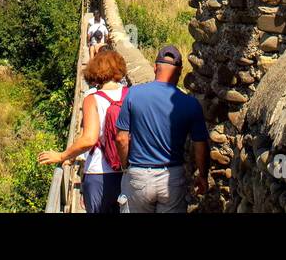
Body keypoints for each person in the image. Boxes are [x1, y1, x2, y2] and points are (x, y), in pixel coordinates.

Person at [115, 45, 208, 212]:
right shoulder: (191, 104)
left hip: (139, 176)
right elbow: (200, 144)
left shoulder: (133, 94)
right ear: (179, 72)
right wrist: (202, 175)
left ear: (155, 67)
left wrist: (125, 167)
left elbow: (121, 139)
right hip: (172, 178)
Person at [37, 47, 128, 213]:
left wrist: (63, 155)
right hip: (128, 172)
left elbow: (89, 139)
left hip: (99, 173)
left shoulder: (92, 99)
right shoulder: (131, 95)